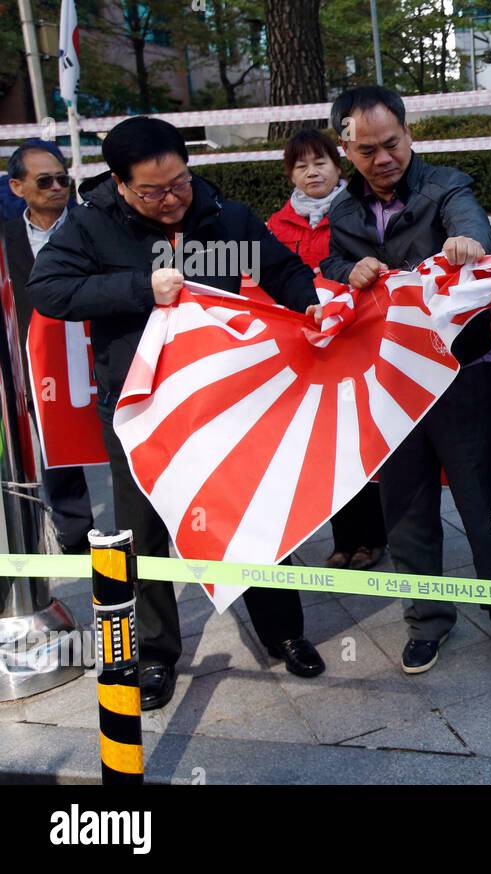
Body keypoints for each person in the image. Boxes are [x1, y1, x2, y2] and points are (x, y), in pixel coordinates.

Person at [28, 117, 328, 710]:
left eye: (179, 184)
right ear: (119, 184)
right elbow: (49, 289)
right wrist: (142, 287)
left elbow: (283, 269)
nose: (170, 200)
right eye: (153, 191)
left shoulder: (218, 217)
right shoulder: (91, 225)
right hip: (141, 410)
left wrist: (312, 304)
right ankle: (157, 655)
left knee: (254, 510)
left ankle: (284, 632)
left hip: (222, 399)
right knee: (144, 530)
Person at [318, 85, 491, 673]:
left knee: (487, 502)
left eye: (391, 144)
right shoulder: (341, 211)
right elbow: (330, 267)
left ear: (409, 135)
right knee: (406, 509)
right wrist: (347, 268)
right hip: (390, 383)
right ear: (347, 150)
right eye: (367, 150)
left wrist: (467, 243)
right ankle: (427, 620)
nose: (383, 158)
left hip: (461, 374)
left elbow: (474, 232)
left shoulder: (447, 186)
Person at [267, 127, 388, 572]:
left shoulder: (357, 211)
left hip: (358, 341)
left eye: (320, 162)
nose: (311, 172)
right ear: (290, 175)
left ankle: (373, 537)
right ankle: (343, 538)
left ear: (339, 166)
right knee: (325, 445)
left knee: (363, 442)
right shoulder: (275, 227)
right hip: (308, 349)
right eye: (300, 166)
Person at [4, 141, 93, 555]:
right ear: (18, 186)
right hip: (40, 365)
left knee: (129, 449)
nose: (58, 187)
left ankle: (146, 539)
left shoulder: (94, 223)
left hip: (100, 353)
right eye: (45, 180)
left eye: (63, 178)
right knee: (60, 458)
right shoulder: (5, 239)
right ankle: (77, 549)